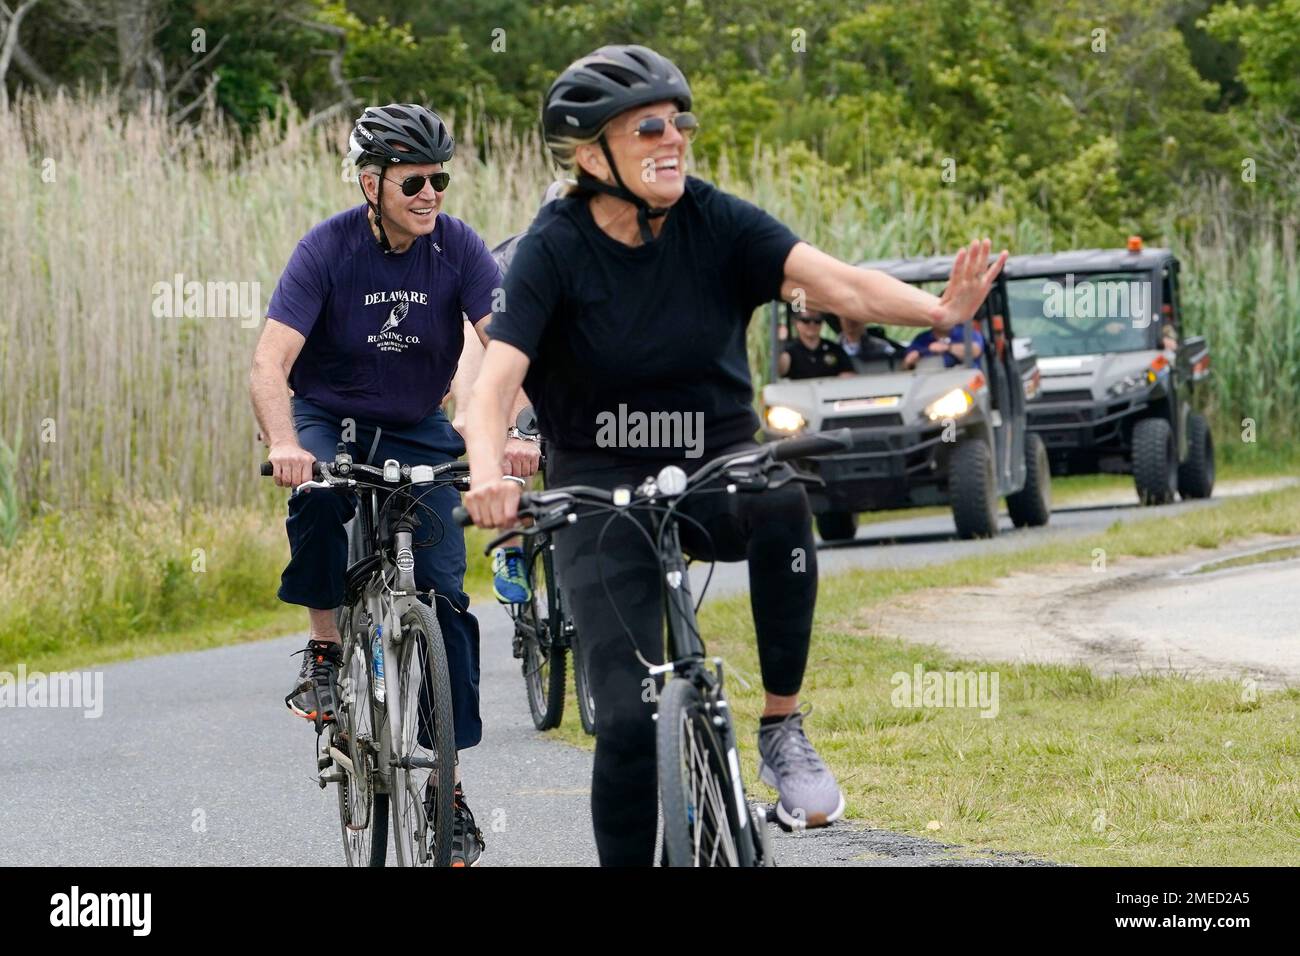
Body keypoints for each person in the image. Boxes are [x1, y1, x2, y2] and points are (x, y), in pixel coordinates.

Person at [461, 45, 1005, 866]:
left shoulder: (715, 221)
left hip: (716, 459)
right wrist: (487, 475)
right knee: (628, 721)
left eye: (680, 121)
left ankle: (782, 725)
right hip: (599, 486)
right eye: (648, 127)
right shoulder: (553, 248)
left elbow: (844, 287)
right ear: (588, 154)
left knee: (784, 499)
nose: (671, 137)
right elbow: (493, 385)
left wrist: (939, 310)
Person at [249, 103, 538, 866]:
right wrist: (284, 442)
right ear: (371, 181)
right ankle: (322, 651)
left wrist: (519, 429)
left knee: (446, 607)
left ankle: (448, 787)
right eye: (416, 180)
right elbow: (269, 364)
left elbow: (504, 346)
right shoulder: (327, 250)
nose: (431, 193)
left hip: (415, 424)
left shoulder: (460, 249)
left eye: (441, 178)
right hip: (329, 421)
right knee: (316, 501)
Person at [779, 308, 855, 379]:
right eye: (806, 320)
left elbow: (848, 375)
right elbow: (780, 370)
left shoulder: (834, 349)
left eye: (817, 321)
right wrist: (780, 341)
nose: (812, 324)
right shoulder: (789, 350)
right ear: (795, 322)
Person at [901, 322, 985, 370]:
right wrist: (910, 361)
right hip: (930, 383)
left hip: (963, 380)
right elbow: (906, 366)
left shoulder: (966, 332)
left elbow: (975, 351)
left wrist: (948, 347)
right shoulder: (922, 339)